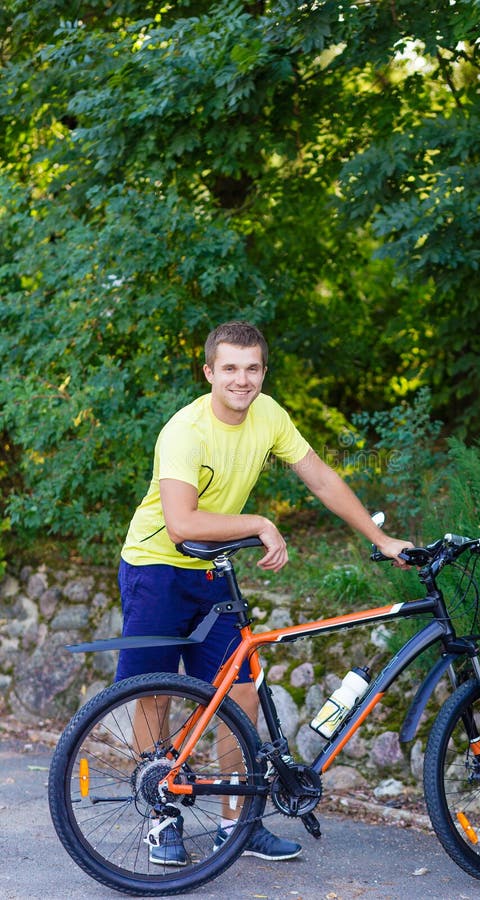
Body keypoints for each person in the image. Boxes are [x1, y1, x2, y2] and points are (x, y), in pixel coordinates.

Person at [116, 321, 414, 866]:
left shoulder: (269, 414)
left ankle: (238, 825)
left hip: (212, 571)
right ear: (209, 372)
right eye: (229, 368)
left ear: (263, 372)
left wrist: (381, 539)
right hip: (155, 568)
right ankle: (161, 818)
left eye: (252, 368)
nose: (242, 379)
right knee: (153, 695)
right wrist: (259, 522)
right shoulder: (185, 431)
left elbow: (320, 478)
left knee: (241, 696)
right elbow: (181, 524)